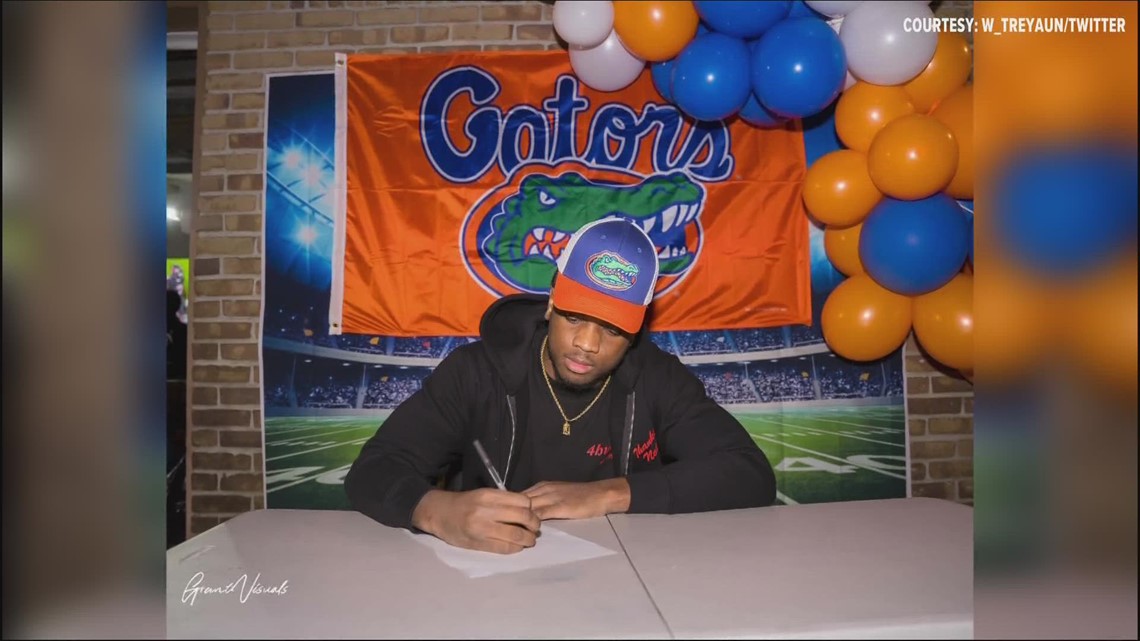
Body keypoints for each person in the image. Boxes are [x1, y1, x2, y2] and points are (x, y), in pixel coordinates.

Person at [345, 219, 777, 555]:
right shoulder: (475, 371)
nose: (587, 345)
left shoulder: (658, 377)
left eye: (612, 329)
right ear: (551, 302)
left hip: (630, 584)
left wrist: (611, 493)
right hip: (490, 582)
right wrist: (436, 511)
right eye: (574, 316)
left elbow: (750, 474)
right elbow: (375, 468)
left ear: (637, 329)